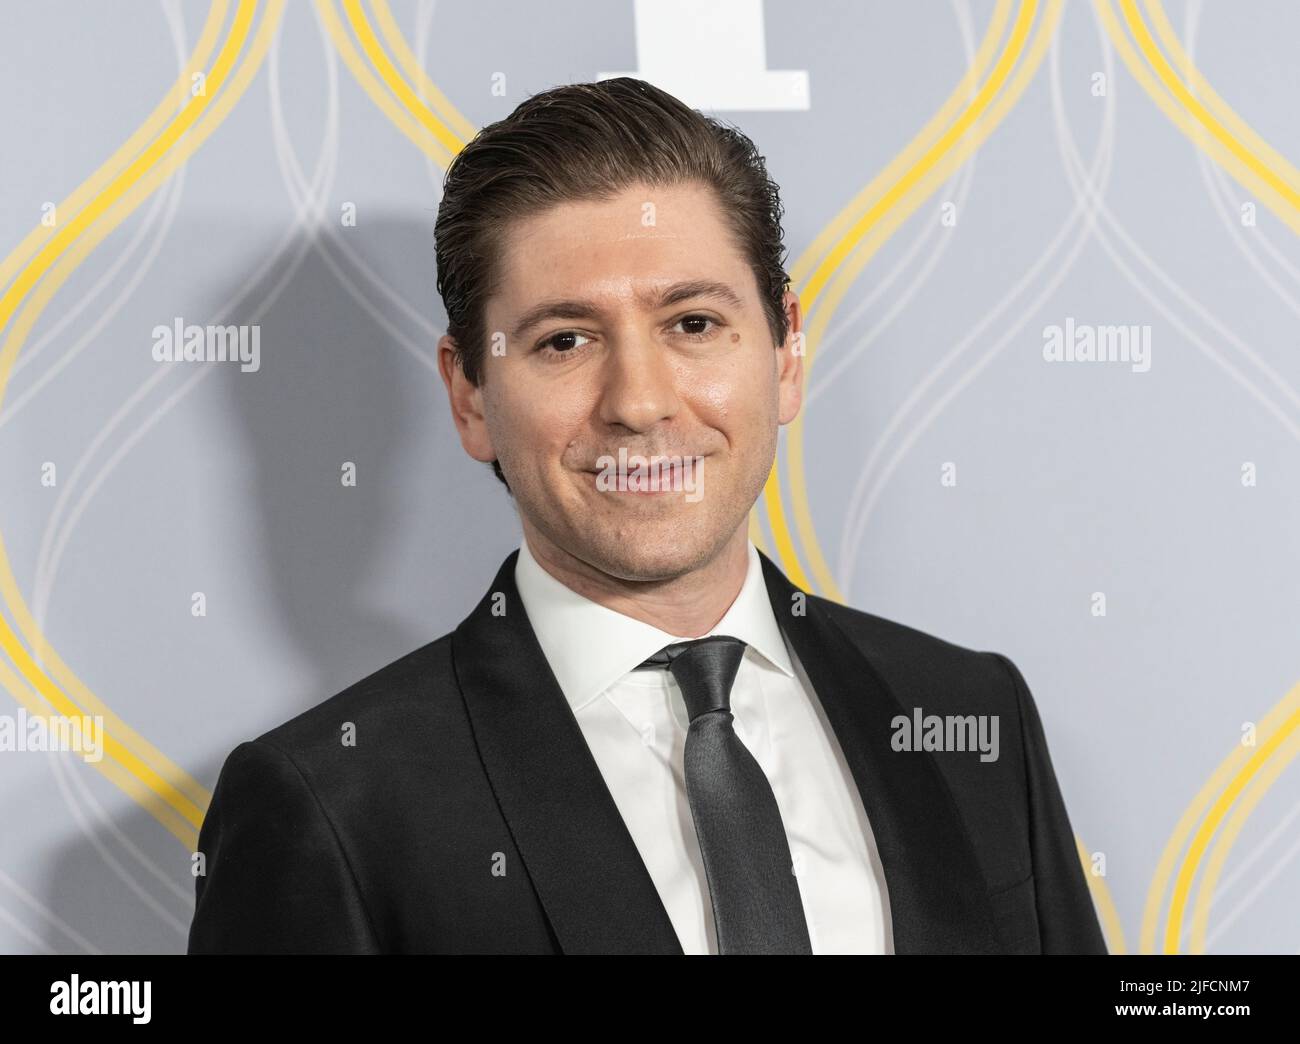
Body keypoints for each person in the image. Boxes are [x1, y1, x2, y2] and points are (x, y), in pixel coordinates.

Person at [187, 77, 1107, 955]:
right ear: (470, 395)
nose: (640, 401)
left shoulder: (968, 715)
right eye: (565, 341)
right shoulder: (331, 801)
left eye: (693, 324)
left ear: (785, 353)